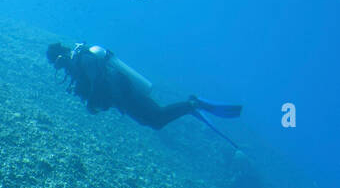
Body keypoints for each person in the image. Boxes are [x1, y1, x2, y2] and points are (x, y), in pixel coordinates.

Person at [46, 42, 242, 144]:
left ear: (61, 55)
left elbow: (98, 81)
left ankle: (193, 104)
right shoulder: (77, 66)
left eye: (56, 62)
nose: (58, 68)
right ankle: (191, 105)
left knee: (157, 118)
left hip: (127, 94)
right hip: (122, 99)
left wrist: (90, 103)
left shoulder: (82, 59)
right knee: (153, 121)